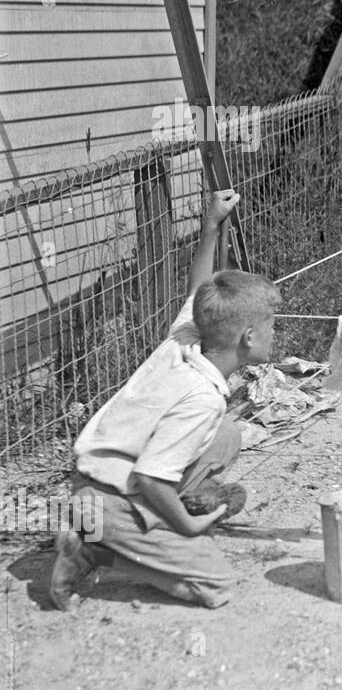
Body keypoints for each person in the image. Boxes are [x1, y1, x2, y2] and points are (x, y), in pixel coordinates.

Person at [49, 189, 279, 610]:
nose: (273, 333)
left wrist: (211, 225)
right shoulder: (202, 397)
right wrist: (188, 527)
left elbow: (199, 293)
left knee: (226, 435)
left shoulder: (186, 341)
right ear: (248, 337)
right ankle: (95, 550)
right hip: (110, 498)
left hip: (95, 474)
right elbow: (153, 477)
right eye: (270, 326)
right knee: (217, 586)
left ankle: (125, 530)